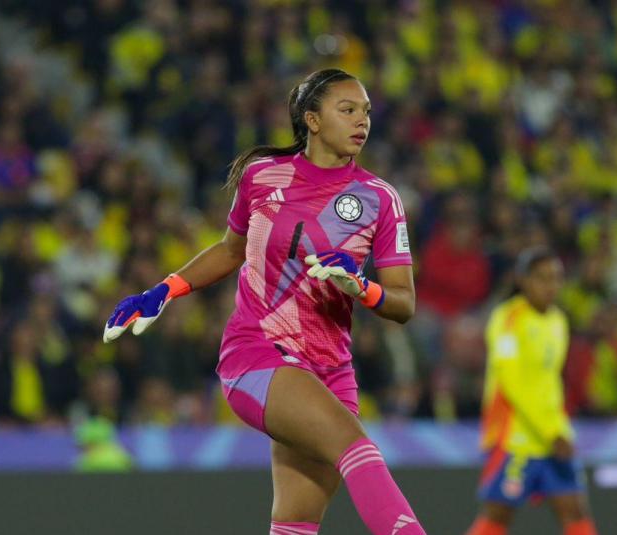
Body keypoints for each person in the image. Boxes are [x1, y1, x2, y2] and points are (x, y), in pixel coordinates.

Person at [103, 69, 425, 535]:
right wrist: (164, 290)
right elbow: (230, 250)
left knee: (294, 526)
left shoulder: (380, 199)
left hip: (331, 370)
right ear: (311, 120)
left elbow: (403, 303)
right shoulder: (261, 176)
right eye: (348, 110)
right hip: (258, 354)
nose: (362, 122)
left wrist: (361, 285)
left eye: (367, 112)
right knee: (355, 446)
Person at [466, 249, 598, 535]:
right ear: (523, 280)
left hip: (552, 435)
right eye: (542, 278)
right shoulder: (508, 318)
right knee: (497, 516)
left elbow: (548, 383)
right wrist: (551, 430)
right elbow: (514, 384)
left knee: (575, 510)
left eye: (556, 278)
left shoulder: (558, 321)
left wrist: (560, 427)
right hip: (515, 437)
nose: (551, 286)